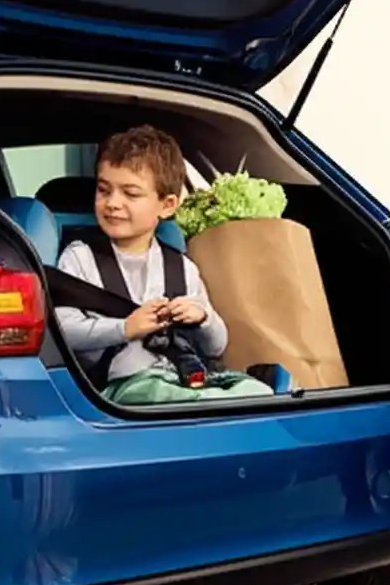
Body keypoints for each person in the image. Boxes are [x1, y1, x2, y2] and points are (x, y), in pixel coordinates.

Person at [56, 125, 272, 405]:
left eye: (130, 194)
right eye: (103, 190)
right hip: (121, 388)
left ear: (167, 205)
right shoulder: (80, 258)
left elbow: (216, 345)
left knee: (261, 393)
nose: (112, 203)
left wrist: (202, 317)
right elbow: (61, 330)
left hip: (185, 378)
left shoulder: (181, 267)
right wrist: (124, 328)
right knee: (165, 395)